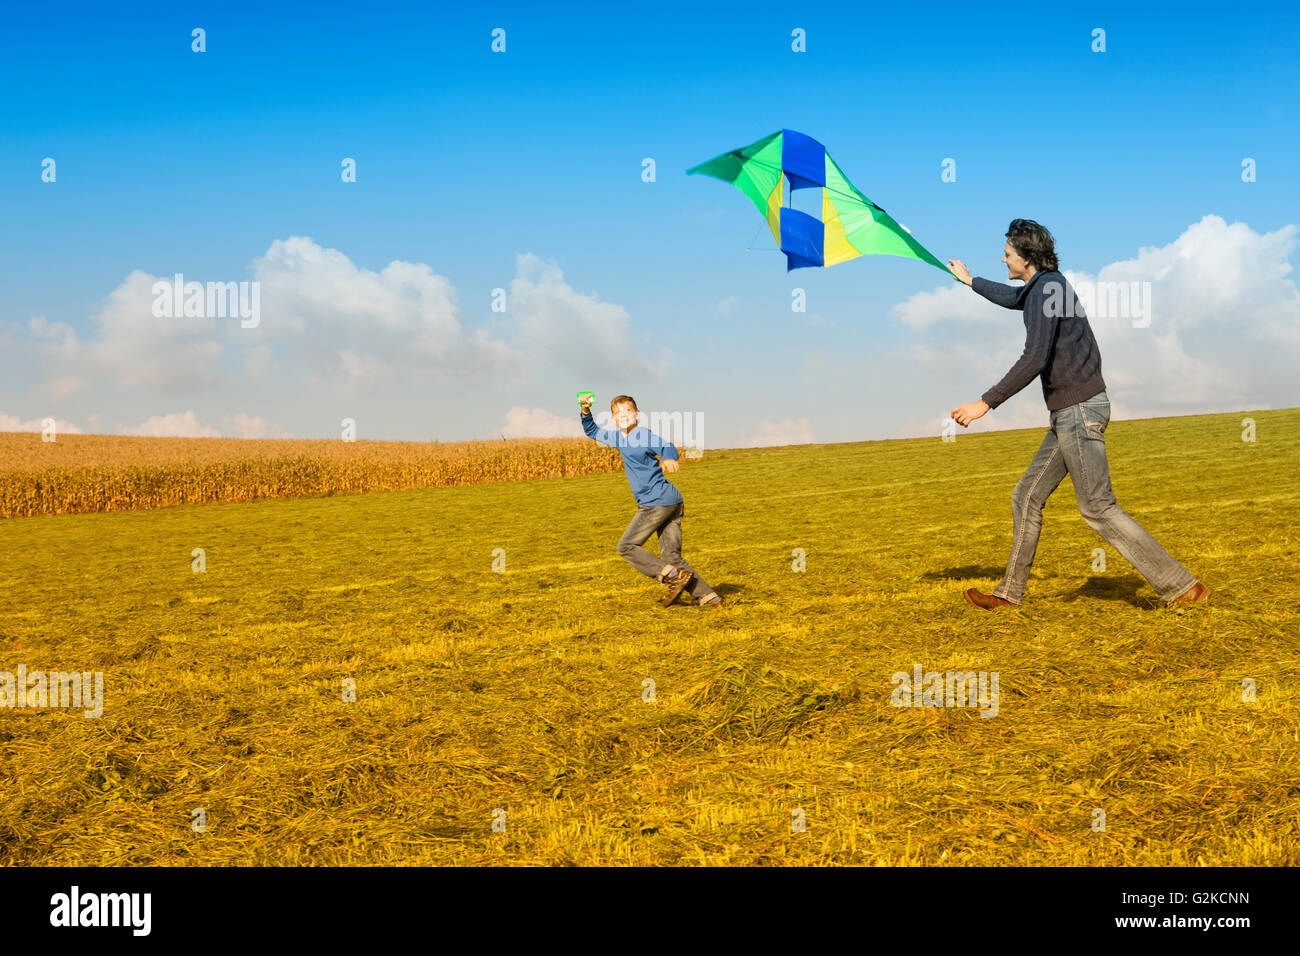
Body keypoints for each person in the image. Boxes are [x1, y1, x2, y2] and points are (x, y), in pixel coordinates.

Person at [946, 219, 1208, 610]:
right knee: (1026, 496)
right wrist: (970, 281)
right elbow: (1012, 297)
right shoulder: (1047, 286)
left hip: (1078, 411)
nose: (1003, 259)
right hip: (1072, 411)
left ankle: (1183, 586)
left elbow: (1034, 356)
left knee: (1098, 508)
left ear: (1027, 257)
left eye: (1007, 254)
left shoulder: (1046, 289)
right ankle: (1009, 595)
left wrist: (986, 402)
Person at [580, 393, 722, 608]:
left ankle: (671, 576)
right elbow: (592, 431)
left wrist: (668, 458)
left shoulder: (644, 435)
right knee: (672, 556)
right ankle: (710, 598)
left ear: (637, 414)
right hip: (672, 501)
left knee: (626, 546)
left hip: (657, 502)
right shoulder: (618, 438)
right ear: (614, 419)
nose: (623, 415)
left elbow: (667, 447)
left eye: (628, 410)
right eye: (618, 413)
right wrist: (585, 410)